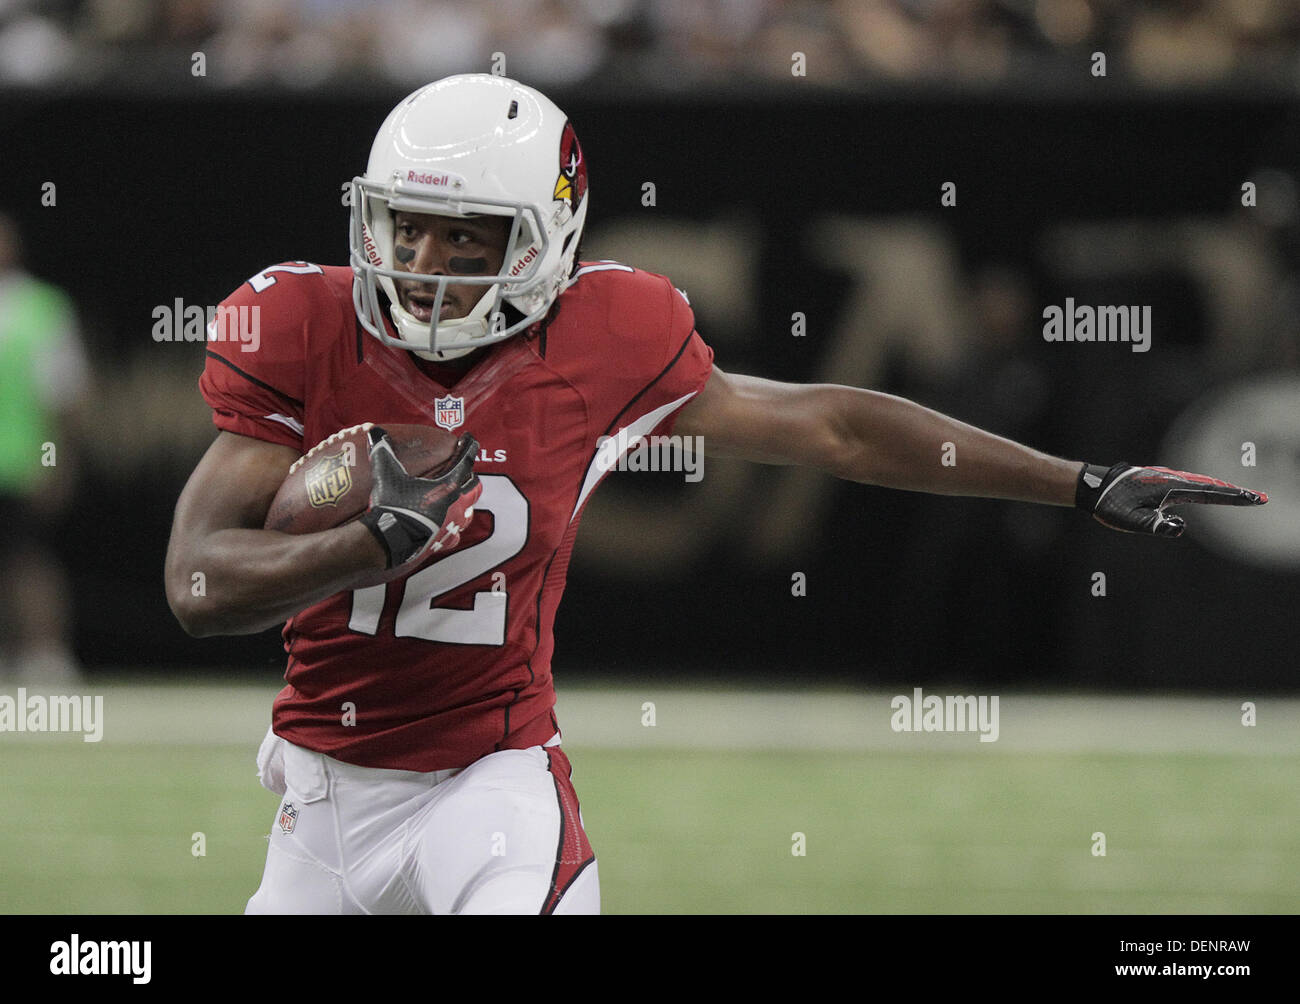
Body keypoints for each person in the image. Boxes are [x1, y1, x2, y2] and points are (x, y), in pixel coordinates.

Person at [163, 74, 1267, 915]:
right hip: (317, 791)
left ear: (547, 242)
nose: (428, 261)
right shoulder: (300, 325)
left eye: (469, 235)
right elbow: (199, 583)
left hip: (484, 784)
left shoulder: (606, 336)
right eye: (409, 225)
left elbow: (829, 424)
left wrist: (1079, 481)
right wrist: (366, 543)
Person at [0, 212, 88, 688]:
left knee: (27, 561)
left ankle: (43, 656)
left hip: (19, 464)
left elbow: (66, 398)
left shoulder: (42, 309)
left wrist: (58, 461)